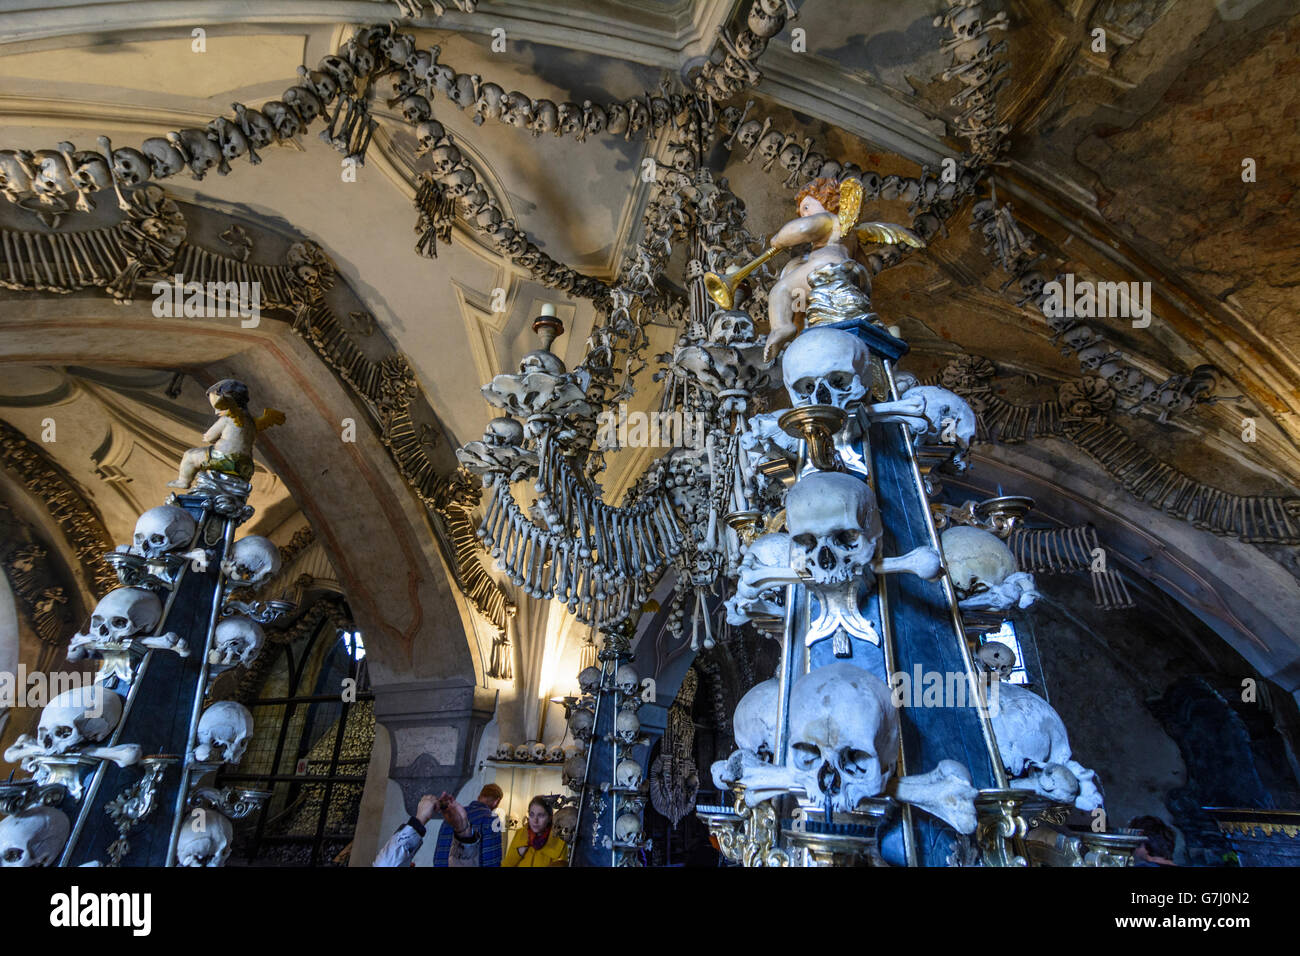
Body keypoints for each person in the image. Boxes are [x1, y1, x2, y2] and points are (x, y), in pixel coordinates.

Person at [372, 784, 504, 867]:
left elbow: (439, 856)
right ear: (497, 801)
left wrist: (419, 820)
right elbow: (491, 861)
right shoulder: (491, 819)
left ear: (480, 796)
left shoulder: (451, 817)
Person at [503, 796, 568, 867]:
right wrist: (517, 854)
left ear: (550, 818)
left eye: (541, 815)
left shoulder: (559, 841)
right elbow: (506, 865)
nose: (535, 820)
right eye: (532, 814)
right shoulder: (520, 834)